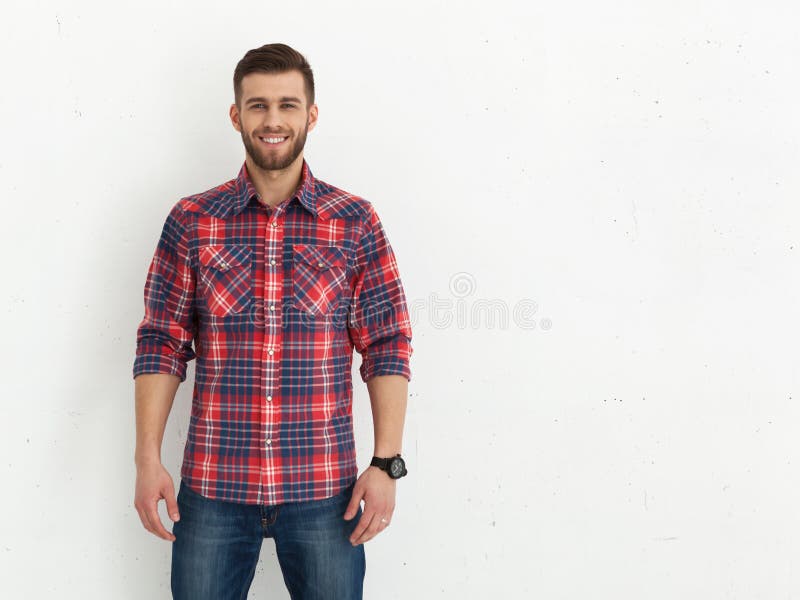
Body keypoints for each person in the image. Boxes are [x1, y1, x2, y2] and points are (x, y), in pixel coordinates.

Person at [131, 42, 413, 600]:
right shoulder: (193, 220)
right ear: (236, 115)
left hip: (324, 490)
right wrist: (146, 460)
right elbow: (162, 343)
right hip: (213, 486)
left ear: (311, 114)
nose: (273, 120)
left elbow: (386, 343)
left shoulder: (354, 222)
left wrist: (385, 464)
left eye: (288, 104)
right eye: (258, 105)